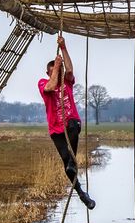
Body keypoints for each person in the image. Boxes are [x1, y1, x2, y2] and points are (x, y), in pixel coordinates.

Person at [38, 35, 95, 211]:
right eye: (54, 71)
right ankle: (82, 194)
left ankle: (72, 160)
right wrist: (56, 67)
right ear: (48, 73)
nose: (59, 72)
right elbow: (50, 86)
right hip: (56, 130)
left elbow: (69, 69)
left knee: (73, 125)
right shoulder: (43, 83)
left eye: (59, 70)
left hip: (71, 123)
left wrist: (63, 48)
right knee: (68, 165)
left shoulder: (67, 82)